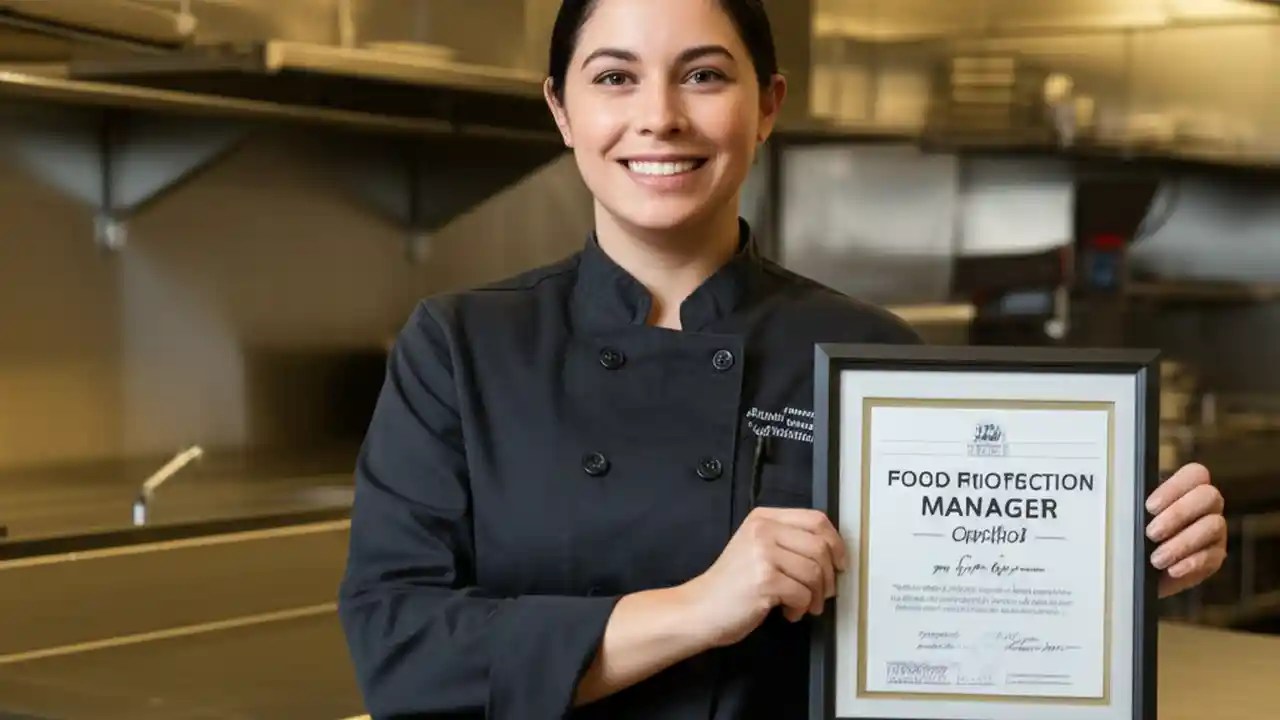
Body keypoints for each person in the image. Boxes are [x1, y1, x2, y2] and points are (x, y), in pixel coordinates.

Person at [336, 1, 1229, 717]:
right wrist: (700, 608)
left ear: (767, 105)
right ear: (562, 110)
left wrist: (1117, 561)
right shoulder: (459, 346)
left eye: (704, 75)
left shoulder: (874, 355)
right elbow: (401, 648)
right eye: (614, 77)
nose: (659, 118)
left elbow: (953, 622)